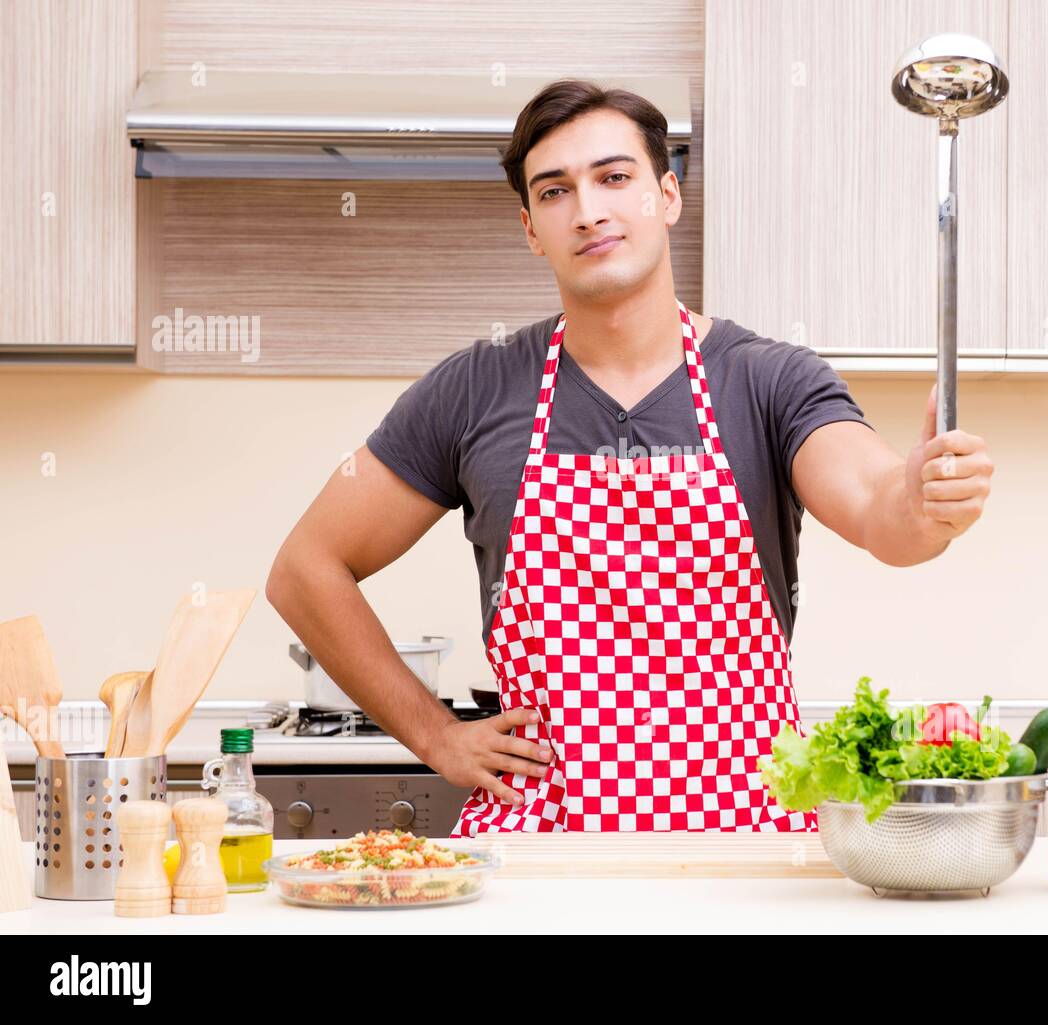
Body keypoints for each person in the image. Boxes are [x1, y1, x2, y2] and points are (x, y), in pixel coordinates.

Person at [266, 79, 995, 834]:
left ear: (668, 196)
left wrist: (919, 498)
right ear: (530, 228)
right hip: (544, 855)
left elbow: (881, 511)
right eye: (555, 192)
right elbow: (304, 568)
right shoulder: (474, 389)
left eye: (615, 178)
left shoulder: (770, 380)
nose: (588, 210)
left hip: (745, 850)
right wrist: (433, 733)